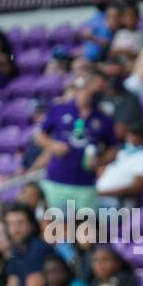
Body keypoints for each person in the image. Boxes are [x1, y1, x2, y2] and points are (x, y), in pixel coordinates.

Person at [35, 69, 115, 215]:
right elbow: (39, 135)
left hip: (84, 184)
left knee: (84, 231)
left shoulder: (103, 118)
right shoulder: (59, 109)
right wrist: (53, 145)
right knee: (57, 229)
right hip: (56, 180)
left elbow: (113, 149)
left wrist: (100, 161)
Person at [0, 205, 52, 286]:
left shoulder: (38, 248)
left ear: (32, 225)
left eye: (20, 223)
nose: (15, 229)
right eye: (11, 224)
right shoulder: (15, 250)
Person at [96, 120, 143, 208]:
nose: (131, 137)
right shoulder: (123, 153)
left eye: (135, 134)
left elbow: (136, 188)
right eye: (130, 133)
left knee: (78, 209)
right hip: (100, 196)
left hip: (118, 203)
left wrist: (104, 193)